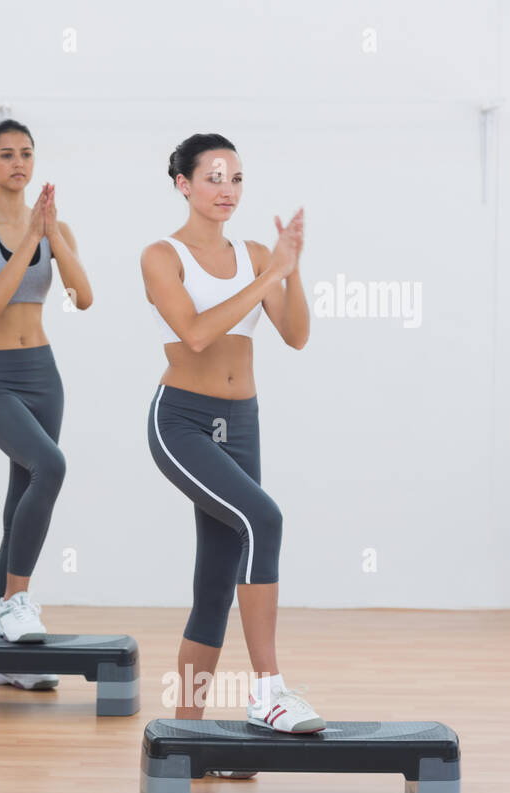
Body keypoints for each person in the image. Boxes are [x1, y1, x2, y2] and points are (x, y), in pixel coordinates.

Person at [141, 133, 323, 757]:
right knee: (264, 518)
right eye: (214, 177)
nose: (228, 189)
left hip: (240, 422)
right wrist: (269, 273)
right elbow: (193, 333)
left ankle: (185, 736)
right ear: (184, 184)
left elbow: (295, 335)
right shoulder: (161, 255)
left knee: (217, 582)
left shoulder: (253, 253)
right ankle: (268, 690)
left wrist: (287, 273)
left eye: (237, 178)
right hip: (182, 422)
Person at [0, 119, 92, 691]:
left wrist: (54, 236)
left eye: (26, 154)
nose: (18, 164)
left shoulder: (54, 226)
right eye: (6, 155)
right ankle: (17, 602)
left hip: (43, 376)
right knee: (50, 466)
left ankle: (6, 656)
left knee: (21, 496)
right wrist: (32, 239)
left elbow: (85, 295)